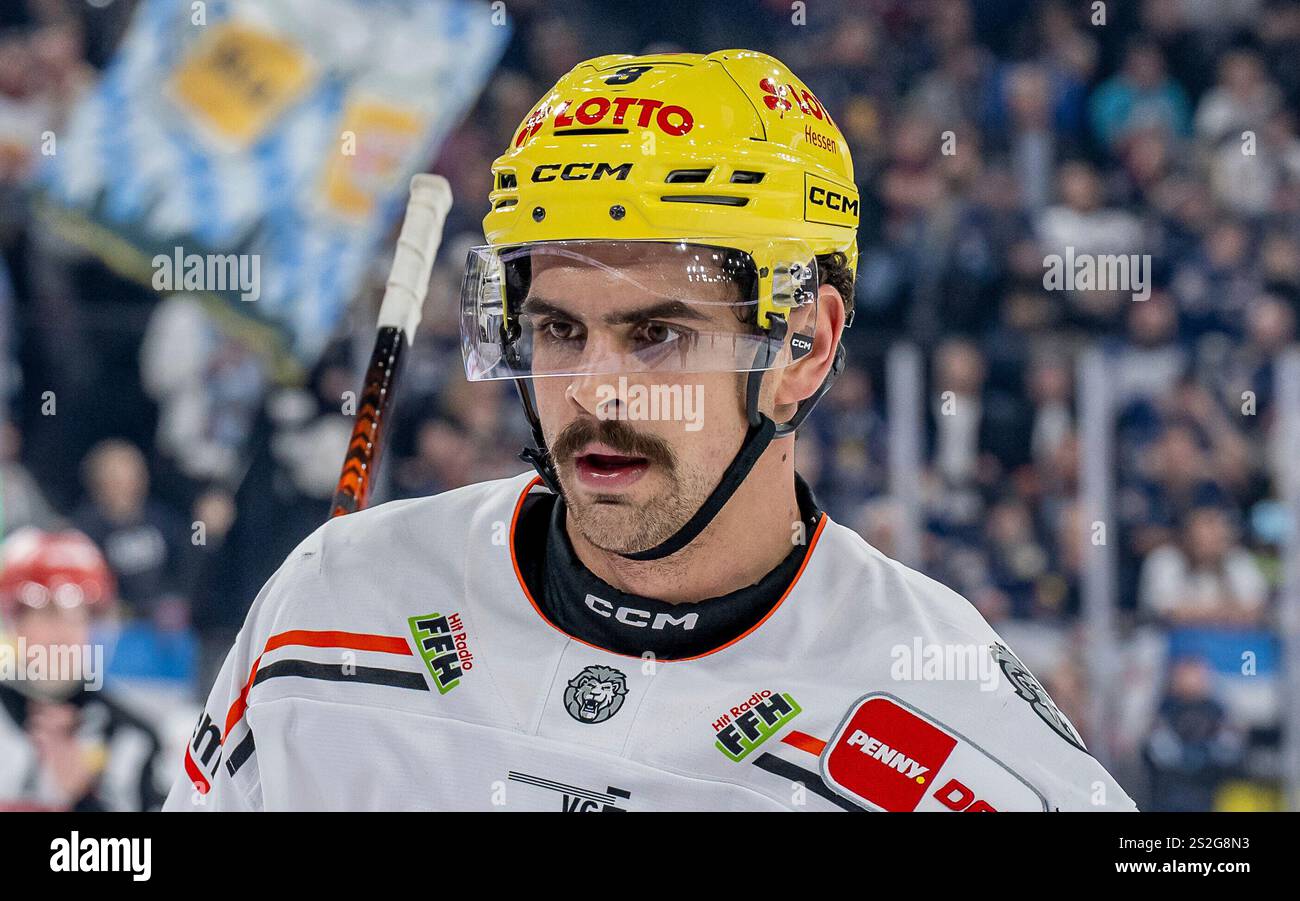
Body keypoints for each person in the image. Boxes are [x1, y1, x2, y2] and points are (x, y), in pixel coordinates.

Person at [164, 50, 1135, 812]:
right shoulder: (333, 598)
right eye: (557, 329)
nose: (596, 393)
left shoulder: (947, 735)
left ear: (803, 345)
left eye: (656, 334)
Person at [0, 528, 169, 810]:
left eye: (78, 616)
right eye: (47, 612)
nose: (63, 633)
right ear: (14, 623)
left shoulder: (133, 736)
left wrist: (81, 796)